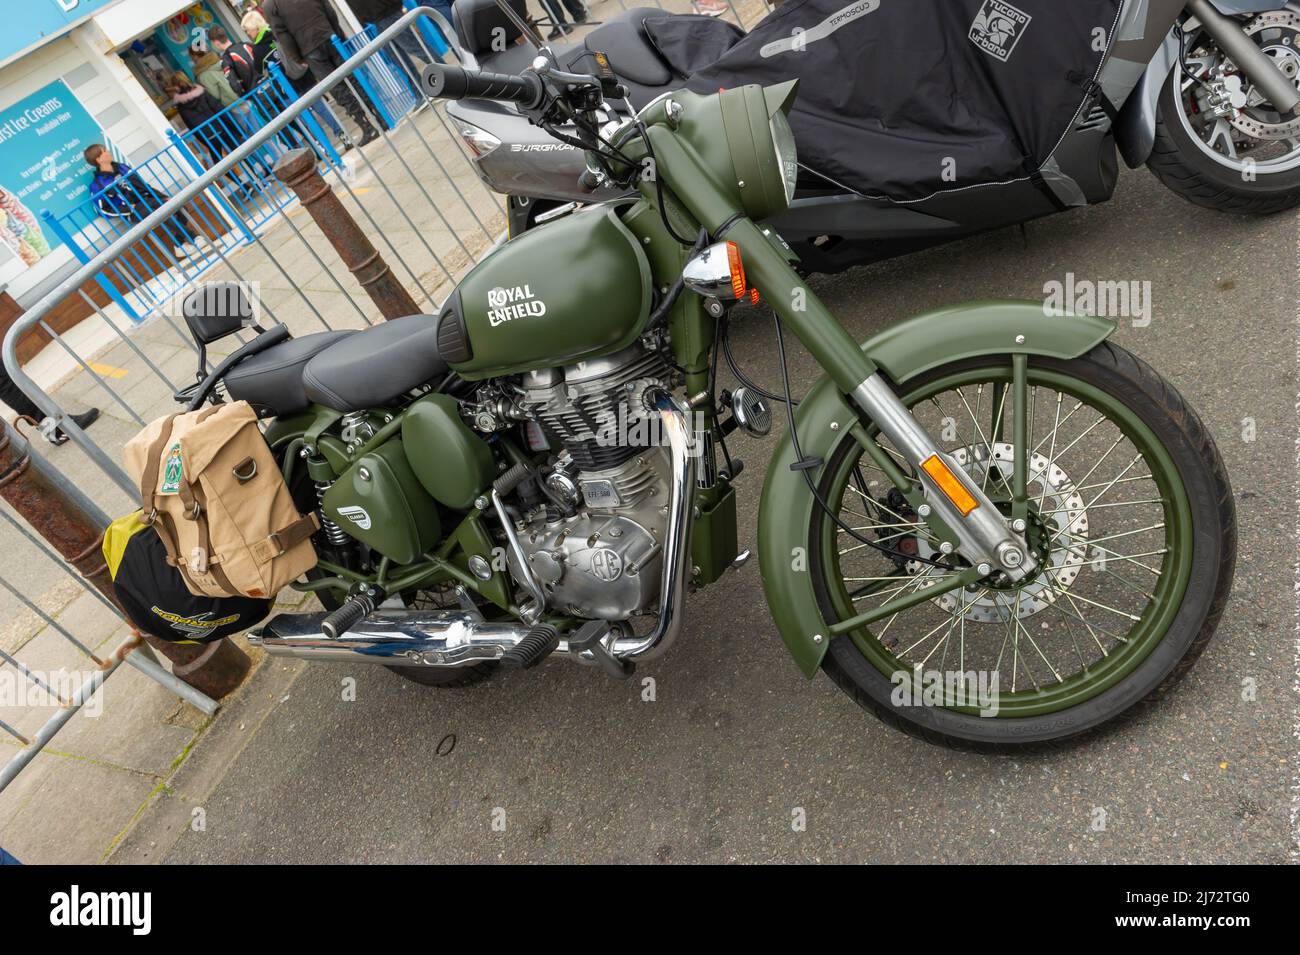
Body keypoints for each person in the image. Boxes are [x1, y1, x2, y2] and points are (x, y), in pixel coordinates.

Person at [262, 0, 380, 147]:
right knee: (353, 78)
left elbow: (282, 35)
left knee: (338, 89)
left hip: (309, 49)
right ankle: (380, 117)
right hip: (329, 36)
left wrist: (297, 57)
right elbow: (329, 10)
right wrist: (337, 34)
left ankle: (367, 127)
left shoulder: (270, 5)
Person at [85, 143, 205, 261]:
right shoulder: (97, 185)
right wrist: (127, 209)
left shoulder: (122, 167)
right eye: (104, 151)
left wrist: (162, 197)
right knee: (159, 213)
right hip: (134, 211)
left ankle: (179, 245)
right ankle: (195, 237)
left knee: (179, 207)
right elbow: (101, 210)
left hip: (147, 200)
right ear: (99, 159)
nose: (108, 151)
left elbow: (143, 185)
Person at [343, 0, 442, 75]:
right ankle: (419, 91)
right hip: (376, 17)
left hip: (386, 11)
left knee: (414, 47)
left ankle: (447, 74)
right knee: (397, 57)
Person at [191, 39, 241, 107]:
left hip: (230, 105)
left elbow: (215, 95)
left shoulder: (203, 76)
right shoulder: (221, 61)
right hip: (242, 96)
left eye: (191, 56)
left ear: (195, 56)